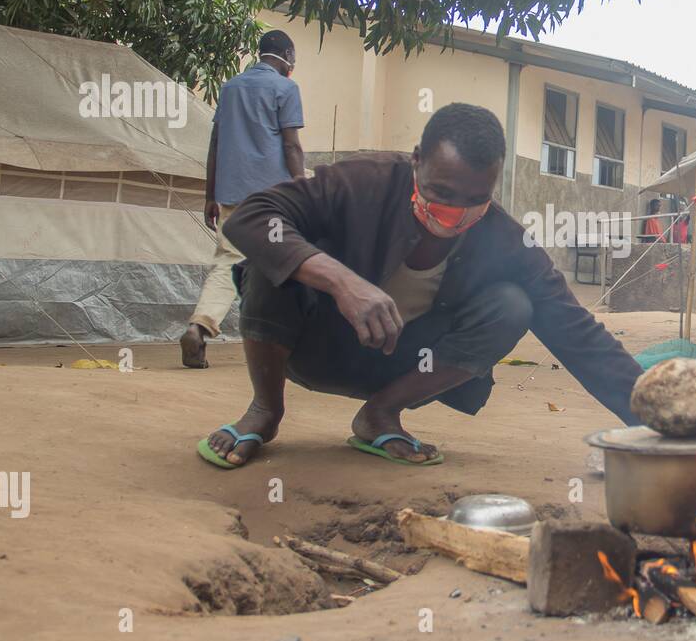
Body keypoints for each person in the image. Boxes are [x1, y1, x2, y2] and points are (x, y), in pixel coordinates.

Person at [197, 102, 644, 468]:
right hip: (314, 346)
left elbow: (578, 333)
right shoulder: (362, 183)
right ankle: (265, 410)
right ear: (415, 161)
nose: (454, 213)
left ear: (494, 183)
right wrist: (341, 281)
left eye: (474, 200)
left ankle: (380, 413)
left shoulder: (506, 241)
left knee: (514, 304)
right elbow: (252, 218)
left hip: (404, 366)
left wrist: (657, 418)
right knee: (274, 258)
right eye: (441, 193)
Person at [180, 30, 306, 369]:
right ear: (288, 56)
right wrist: (303, 191)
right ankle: (291, 342)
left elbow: (215, 144)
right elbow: (291, 146)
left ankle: (200, 325)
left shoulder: (231, 87)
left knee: (227, 261)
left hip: (233, 196)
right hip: (274, 199)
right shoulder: (286, 89)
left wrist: (211, 195)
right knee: (287, 263)